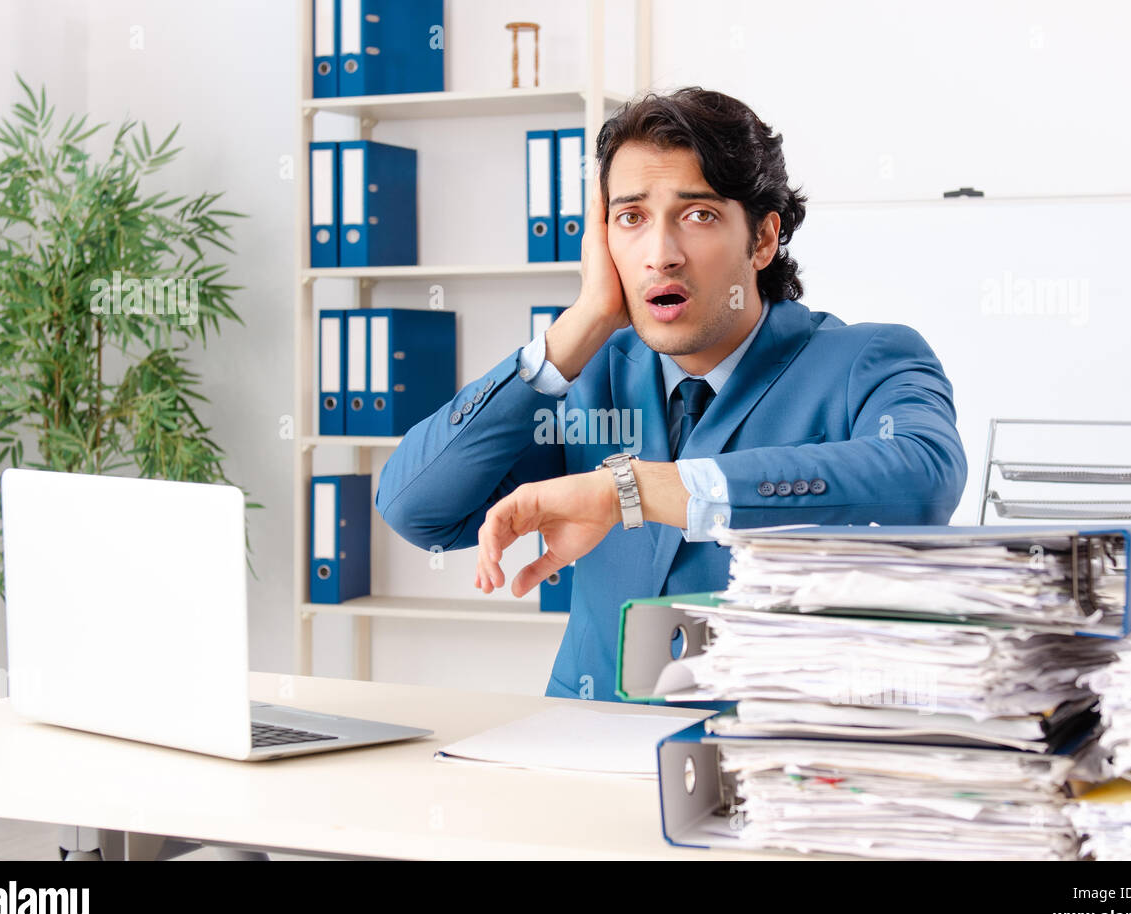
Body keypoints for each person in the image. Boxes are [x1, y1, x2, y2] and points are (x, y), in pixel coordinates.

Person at [376, 87, 967, 701]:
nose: (661, 255)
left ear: (763, 240)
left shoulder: (864, 360)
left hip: (764, 769)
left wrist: (626, 491)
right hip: (583, 753)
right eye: (631, 218)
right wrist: (579, 326)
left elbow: (924, 478)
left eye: (698, 214)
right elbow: (418, 509)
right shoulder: (591, 375)